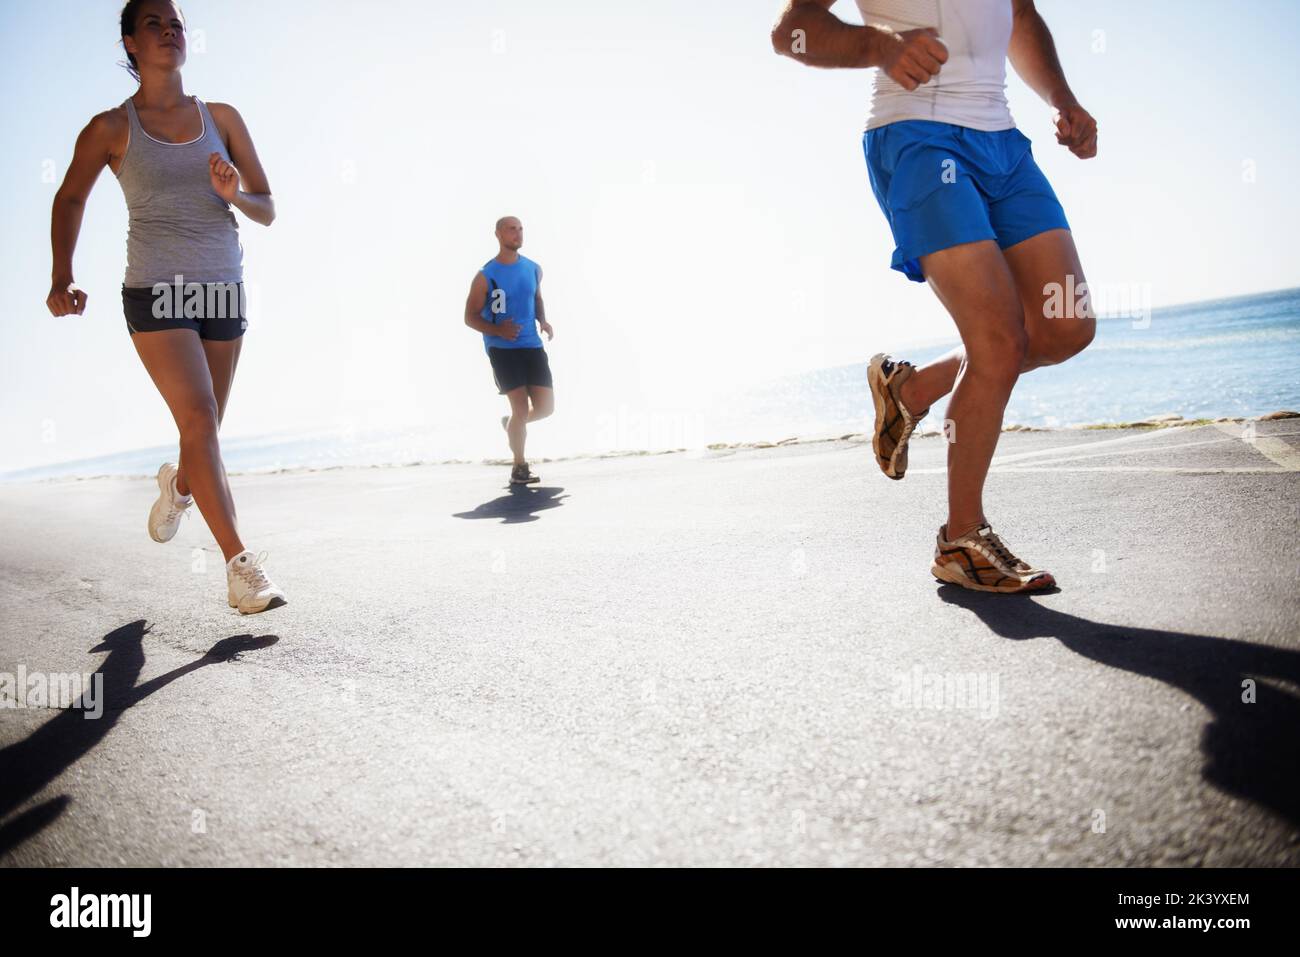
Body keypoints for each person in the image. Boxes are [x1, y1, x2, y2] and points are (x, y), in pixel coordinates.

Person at [772, 0, 1098, 593]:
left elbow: (1020, 17)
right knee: (997, 342)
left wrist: (1063, 100)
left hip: (1002, 142)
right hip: (918, 137)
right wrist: (880, 47)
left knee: (1065, 325)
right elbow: (791, 32)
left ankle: (912, 388)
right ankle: (960, 541)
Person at [45, 0, 285, 614]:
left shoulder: (222, 117)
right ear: (129, 43)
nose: (168, 31)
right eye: (153, 23)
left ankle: (177, 487)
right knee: (200, 420)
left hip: (222, 289)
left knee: (201, 432)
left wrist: (235, 192)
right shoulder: (110, 128)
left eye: (175, 23)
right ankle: (241, 566)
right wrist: (61, 277)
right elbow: (70, 199)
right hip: (155, 290)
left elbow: (266, 208)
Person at [462, 216, 556, 485]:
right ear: (498, 235)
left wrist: (543, 320)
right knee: (519, 409)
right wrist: (498, 331)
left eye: (520, 229)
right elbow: (470, 317)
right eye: (511, 229)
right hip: (502, 349)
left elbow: (536, 298)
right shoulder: (485, 276)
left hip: (532, 346)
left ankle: (512, 424)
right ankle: (519, 467)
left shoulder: (533, 268)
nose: (517, 233)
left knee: (546, 408)